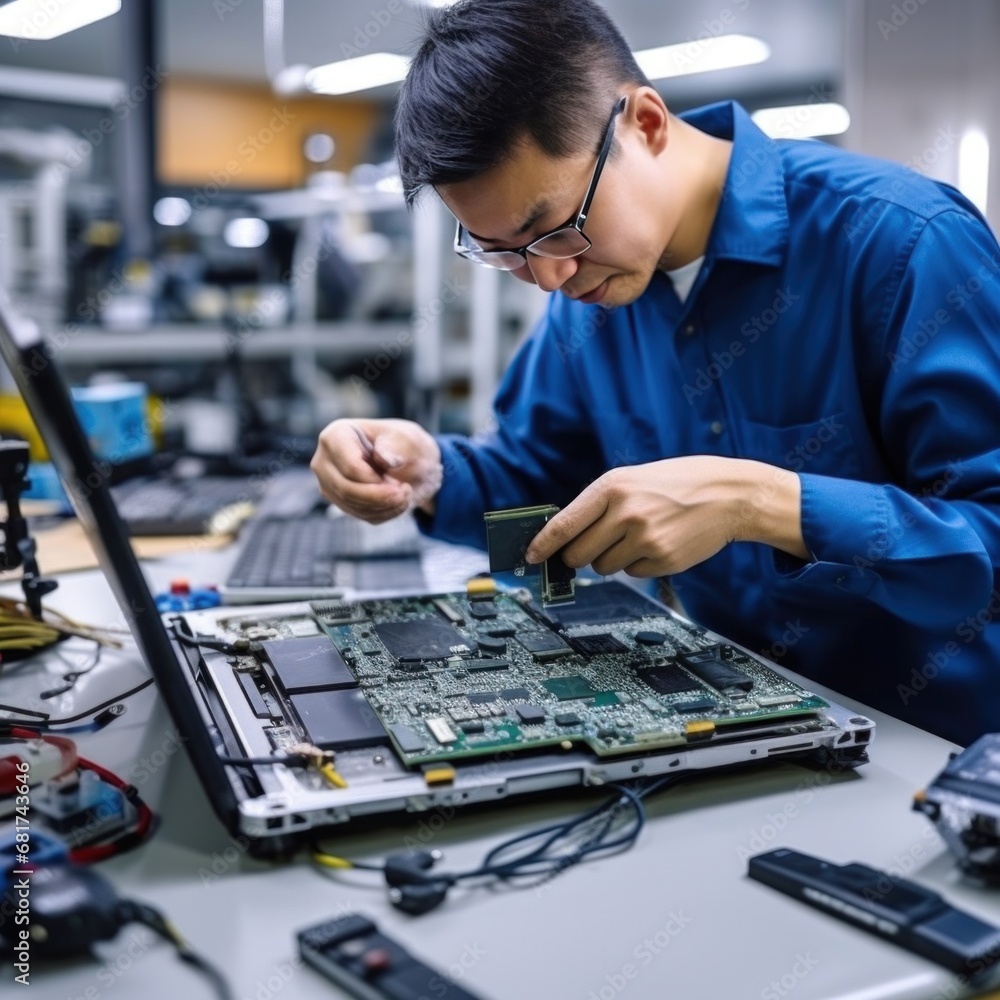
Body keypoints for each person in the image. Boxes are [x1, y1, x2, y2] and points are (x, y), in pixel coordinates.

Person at [311, 0, 1000, 747]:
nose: (547, 277)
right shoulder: (588, 296)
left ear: (645, 123)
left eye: (559, 225)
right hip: (735, 724)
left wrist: (763, 502)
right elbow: (543, 486)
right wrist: (428, 474)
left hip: (933, 750)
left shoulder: (901, 245)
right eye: (504, 251)